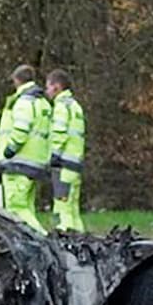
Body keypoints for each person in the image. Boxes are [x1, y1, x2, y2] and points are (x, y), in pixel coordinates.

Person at [0, 64, 51, 233]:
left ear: (16, 80)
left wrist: (9, 150)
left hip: (18, 163)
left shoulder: (23, 102)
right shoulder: (43, 103)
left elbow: (21, 129)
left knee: (16, 207)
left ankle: (44, 241)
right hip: (36, 162)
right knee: (27, 207)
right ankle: (33, 248)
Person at [46, 69, 86, 232]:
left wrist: (54, 154)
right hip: (75, 163)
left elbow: (59, 133)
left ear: (57, 87)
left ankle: (68, 239)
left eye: (48, 86)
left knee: (64, 207)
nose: (47, 91)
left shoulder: (61, 106)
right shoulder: (75, 106)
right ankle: (83, 241)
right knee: (73, 208)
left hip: (64, 164)